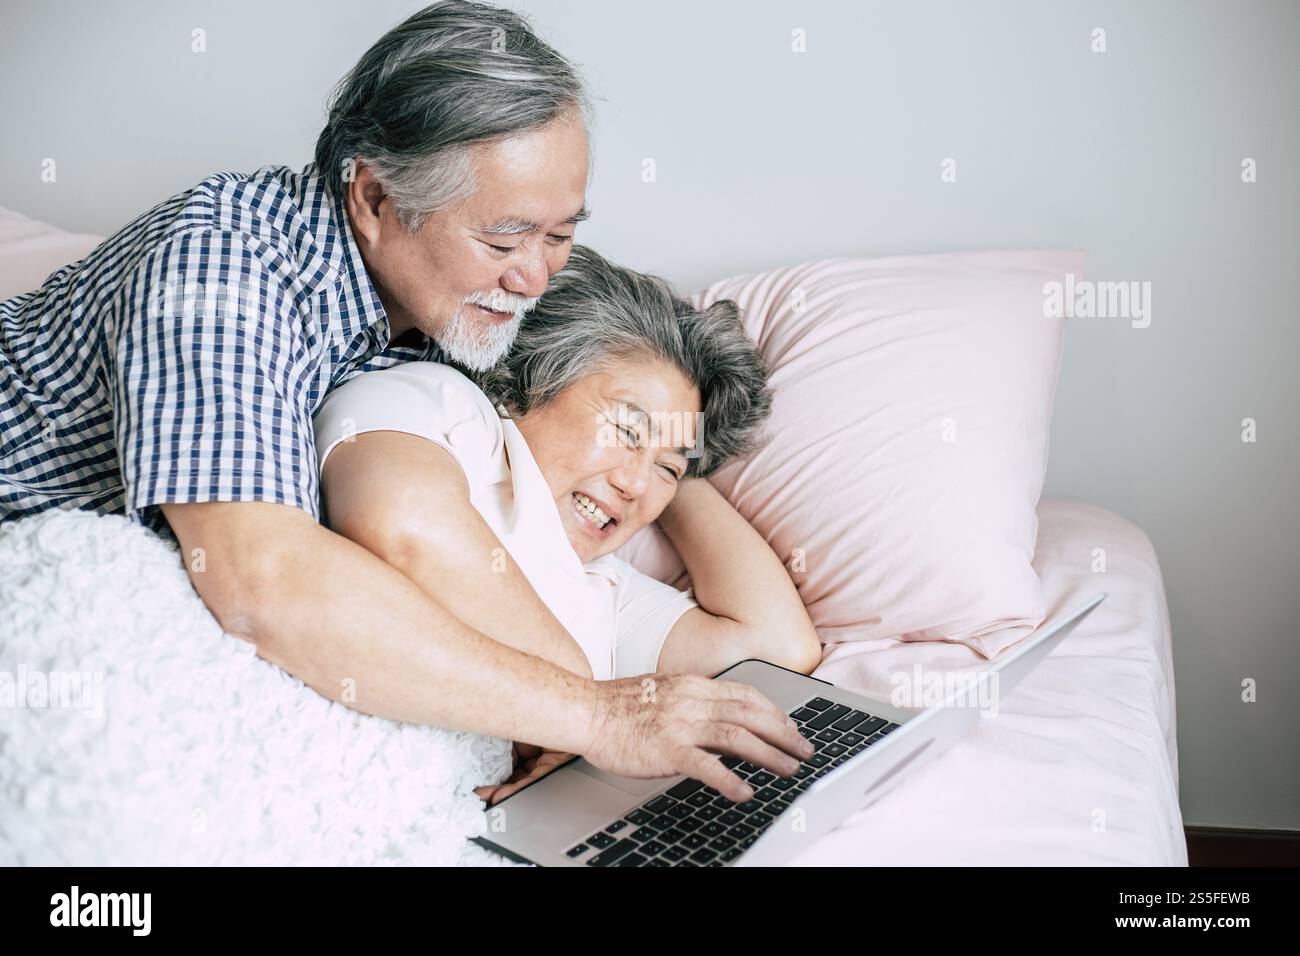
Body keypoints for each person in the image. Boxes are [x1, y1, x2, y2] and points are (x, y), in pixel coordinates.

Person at [0, 1, 810, 799]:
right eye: (502, 240)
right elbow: (261, 579)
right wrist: (592, 715)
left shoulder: (446, 315)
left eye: (559, 238)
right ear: (374, 198)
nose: (533, 278)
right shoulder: (222, 267)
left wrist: (668, 452)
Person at [312, 246, 822, 802]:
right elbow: (400, 522)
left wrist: (674, 461)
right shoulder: (449, 410)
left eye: (668, 470)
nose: (636, 486)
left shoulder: (605, 590)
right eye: (626, 429)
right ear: (532, 382)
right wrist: (587, 711)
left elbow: (776, 650)